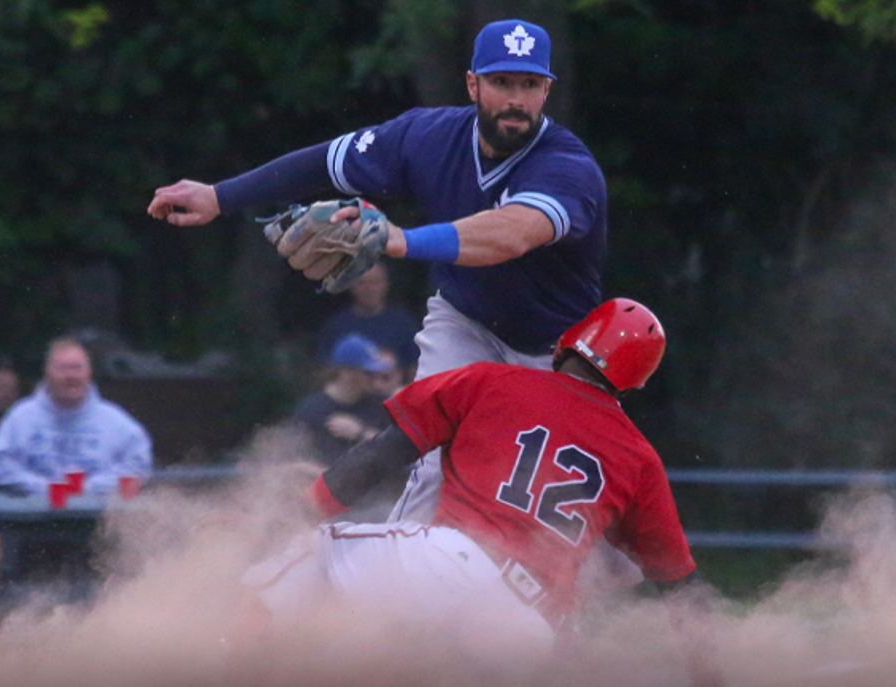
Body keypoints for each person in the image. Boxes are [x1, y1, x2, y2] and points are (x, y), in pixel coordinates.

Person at [148, 19, 607, 523]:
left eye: (529, 84)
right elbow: (325, 162)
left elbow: (512, 233)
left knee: (538, 493)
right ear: (473, 84)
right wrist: (220, 196)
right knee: (433, 459)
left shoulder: (567, 166)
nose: (516, 98)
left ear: (547, 91)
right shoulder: (427, 137)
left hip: (554, 351)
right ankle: (390, 559)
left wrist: (401, 240)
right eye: (501, 82)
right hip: (465, 320)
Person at [244, 299, 721, 687]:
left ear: (569, 342)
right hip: (530, 631)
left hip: (454, 562)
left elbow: (380, 457)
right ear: (633, 382)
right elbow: (681, 588)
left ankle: (224, 646)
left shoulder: (493, 380)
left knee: (310, 553)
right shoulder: (640, 458)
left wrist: (301, 513)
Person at [0, 338, 152, 496]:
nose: (71, 376)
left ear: (89, 373)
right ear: (47, 373)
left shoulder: (117, 422)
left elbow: (138, 467)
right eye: (63, 368)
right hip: (32, 511)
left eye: (77, 368)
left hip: (101, 511)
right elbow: (0, 468)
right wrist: (49, 489)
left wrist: (87, 489)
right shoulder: (20, 418)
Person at [288, 334, 401, 522]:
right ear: (347, 374)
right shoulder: (311, 410)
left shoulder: (380, 405)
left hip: (377, 506)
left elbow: (399, 449)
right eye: (369, 373)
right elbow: (292, 464)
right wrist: (327, 476)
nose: (376, 378)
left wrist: (360, 432)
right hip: (327, 510)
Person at [314, 261, 420, 376]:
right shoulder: (337, 325)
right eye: (361, 283)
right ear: (351, 285)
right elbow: (323, 370)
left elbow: (415, 369)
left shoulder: (403, 324)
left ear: (386, 284)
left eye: (375, 282)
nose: (369, 288)